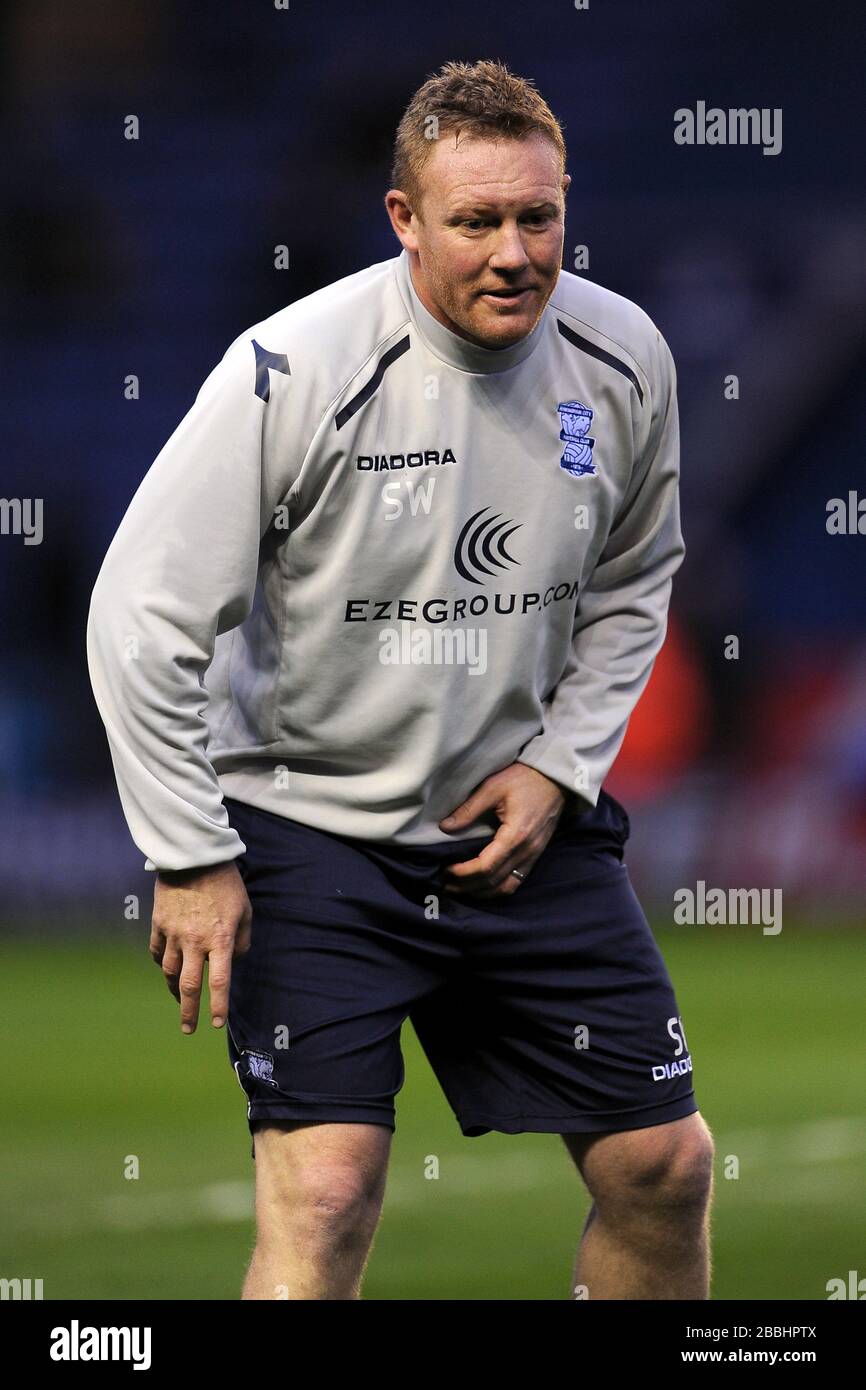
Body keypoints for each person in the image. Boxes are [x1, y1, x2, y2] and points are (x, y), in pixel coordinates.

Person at [87, 58, 714, 1300]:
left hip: (519, 833)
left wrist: (561, 762)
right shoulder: (292, 369)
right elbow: (139, 614)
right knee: (324, 1195)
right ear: (403, 220)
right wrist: (189, 853)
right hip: (312, 833)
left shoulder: (625, 357)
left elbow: (637, 577)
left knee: (665, 1168)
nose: (513, 251)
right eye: (474, 220)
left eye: (537, 216)